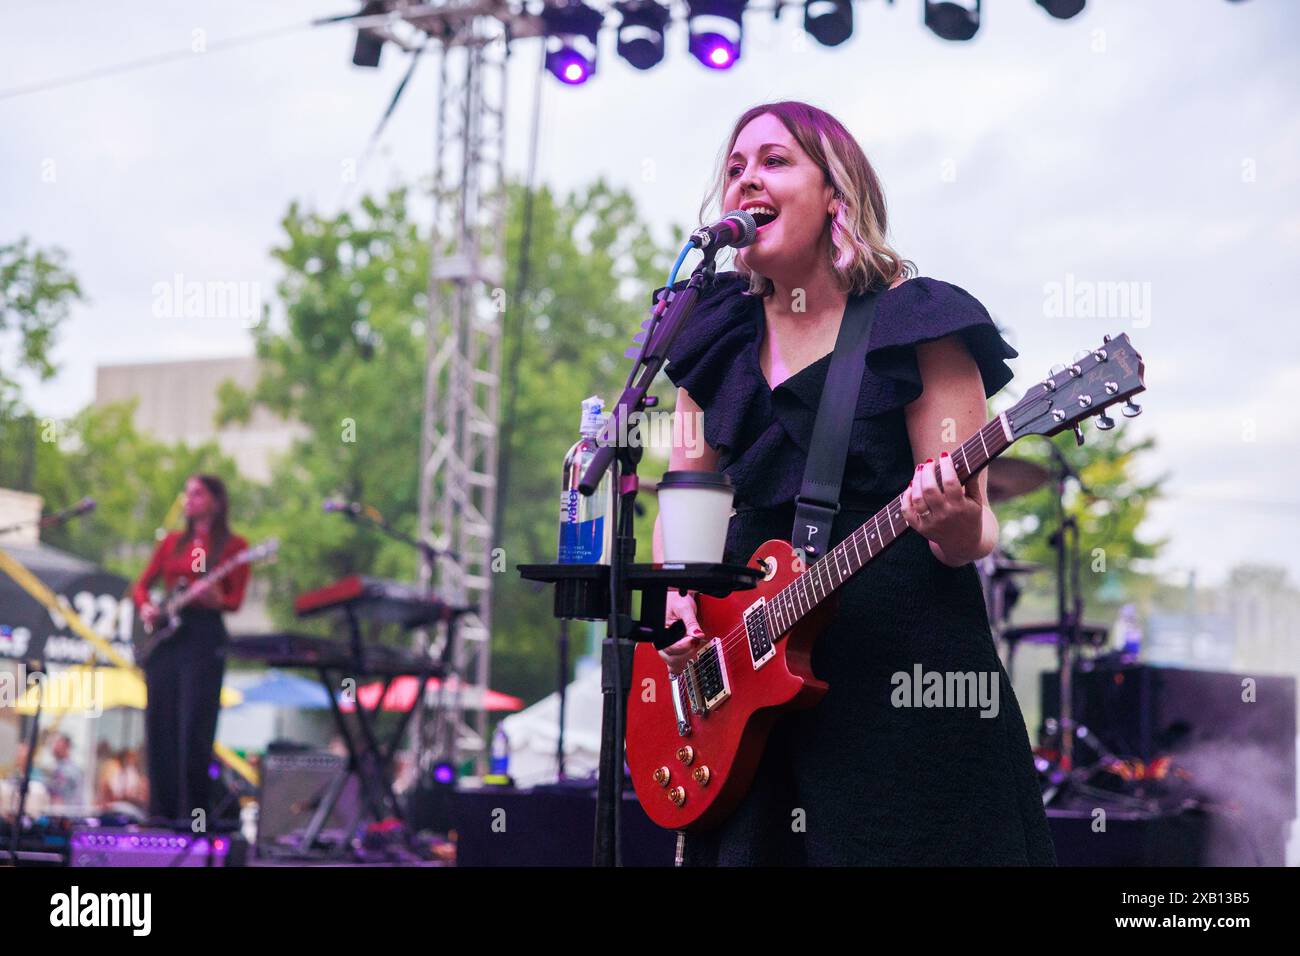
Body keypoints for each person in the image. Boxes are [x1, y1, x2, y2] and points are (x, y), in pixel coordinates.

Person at [652, 101, 1056, 866]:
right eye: (734, 169)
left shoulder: (917, 320)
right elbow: (688, 487)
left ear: (837, 191)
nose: (746, 181)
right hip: (743, 682)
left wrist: (950, 523)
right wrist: (679, 600)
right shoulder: (713, 332)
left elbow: (973, 533)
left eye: (774, 162)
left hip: (903, 682)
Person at [133, 474, 250, 827]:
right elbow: (141, 585)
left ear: (216, 499)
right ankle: (161, 813)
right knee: (160, 723)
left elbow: (235, 600)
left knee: (194, 727)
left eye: (197, 493)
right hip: (168, 638)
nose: (189, 499)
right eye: (187, 493)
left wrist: (216, 598)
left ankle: (192, 816)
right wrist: (147, 607)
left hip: (204, 637)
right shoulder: (172, 543)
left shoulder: (233, 546)